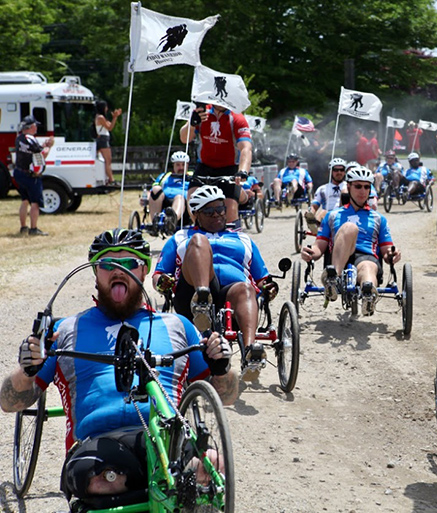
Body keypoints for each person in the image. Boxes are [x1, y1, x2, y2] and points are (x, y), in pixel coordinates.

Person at [0, 228, 236, 509]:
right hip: (98, 442)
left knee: (210, 465)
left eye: (128, 264)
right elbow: (8, 401)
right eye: (107, 264)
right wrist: (27, 370)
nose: (118, 272)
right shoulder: (63, 331)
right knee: (104, 481)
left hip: (168, 440)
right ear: (95, 272)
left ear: (144, 269)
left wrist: (221, 367)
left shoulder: (178, 326)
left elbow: (226, 395)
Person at [153, 185, 277, 379]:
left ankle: (250, 351)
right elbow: (158, 274)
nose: (217, 214)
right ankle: (201, 301)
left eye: (220, 209)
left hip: (231, 299)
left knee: (246, 288)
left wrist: (268, 287)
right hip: (190, 295)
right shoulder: (180, 237)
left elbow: (262, 278)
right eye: (209, 211)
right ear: (195, 214)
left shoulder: (243, 238)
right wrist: (162, 282)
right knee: (199, 241)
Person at [300, 166, 401, 316]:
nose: (362, 191)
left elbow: (386, 252)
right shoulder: (333, 215)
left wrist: (393, 254)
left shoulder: (379, 219)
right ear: (349, 187)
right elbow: (319, 246)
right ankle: (332, 279)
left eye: (367, 187)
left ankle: (368, 295)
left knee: (368, 267)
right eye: (358, 186)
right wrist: (309, 252)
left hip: (366, 257)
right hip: (338, 257)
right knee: (350, 228)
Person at [180, 103, 253, 224]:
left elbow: (246, 148)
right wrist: (191, 124)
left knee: (230, 212)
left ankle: (243, 198)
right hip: (205, 166)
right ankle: (199, 230)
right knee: (193, 204)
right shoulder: (203, 112)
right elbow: (184, 139)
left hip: (229, 168)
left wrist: (243, 171)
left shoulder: (237, 118)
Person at [14, 115, 54, 236]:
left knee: (24, 200)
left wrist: (42, 145)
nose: (36, 127)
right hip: (30, 175)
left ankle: (23, 227)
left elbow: (32, 149)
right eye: (35, 125)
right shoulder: (31, 138)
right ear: (31, 127)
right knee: (35, 203)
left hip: (19, 172)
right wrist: (49, 146)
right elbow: (41, 155)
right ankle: (34, 229)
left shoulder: (19, 138)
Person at [147, 151, 193, 236]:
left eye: (183, 165)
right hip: (164, 203)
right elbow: (152, 189)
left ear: (187, 165)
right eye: (178, 165)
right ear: (173, 165)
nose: (181, 168)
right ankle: (155, 223)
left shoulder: (192, 175)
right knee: (156, 189)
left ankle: (171, 222)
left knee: (179, 197)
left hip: (185, 205)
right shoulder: (164, 176)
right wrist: (146, 197)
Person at [305, 158, 348, 235]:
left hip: (344, 214)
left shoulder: (350, 186)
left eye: (341, 170)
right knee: (324, 212)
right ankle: (314, 226)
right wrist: (310, 212)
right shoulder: (322, 188)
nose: (339, 172)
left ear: (345, 171)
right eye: (336, 170)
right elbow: (315, 205)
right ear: (331, 171)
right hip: (327, 216)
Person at [94, 100, 122, 186]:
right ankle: (111, 179)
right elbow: (110, 127)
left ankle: (109, 178)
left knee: (106, 160)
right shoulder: (101, 118)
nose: (107, 109)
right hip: (103, 139)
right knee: (108, 160)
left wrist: (114, 118)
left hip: (102, 139)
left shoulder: (99, 117)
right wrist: (115, 117)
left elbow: (109, 126)